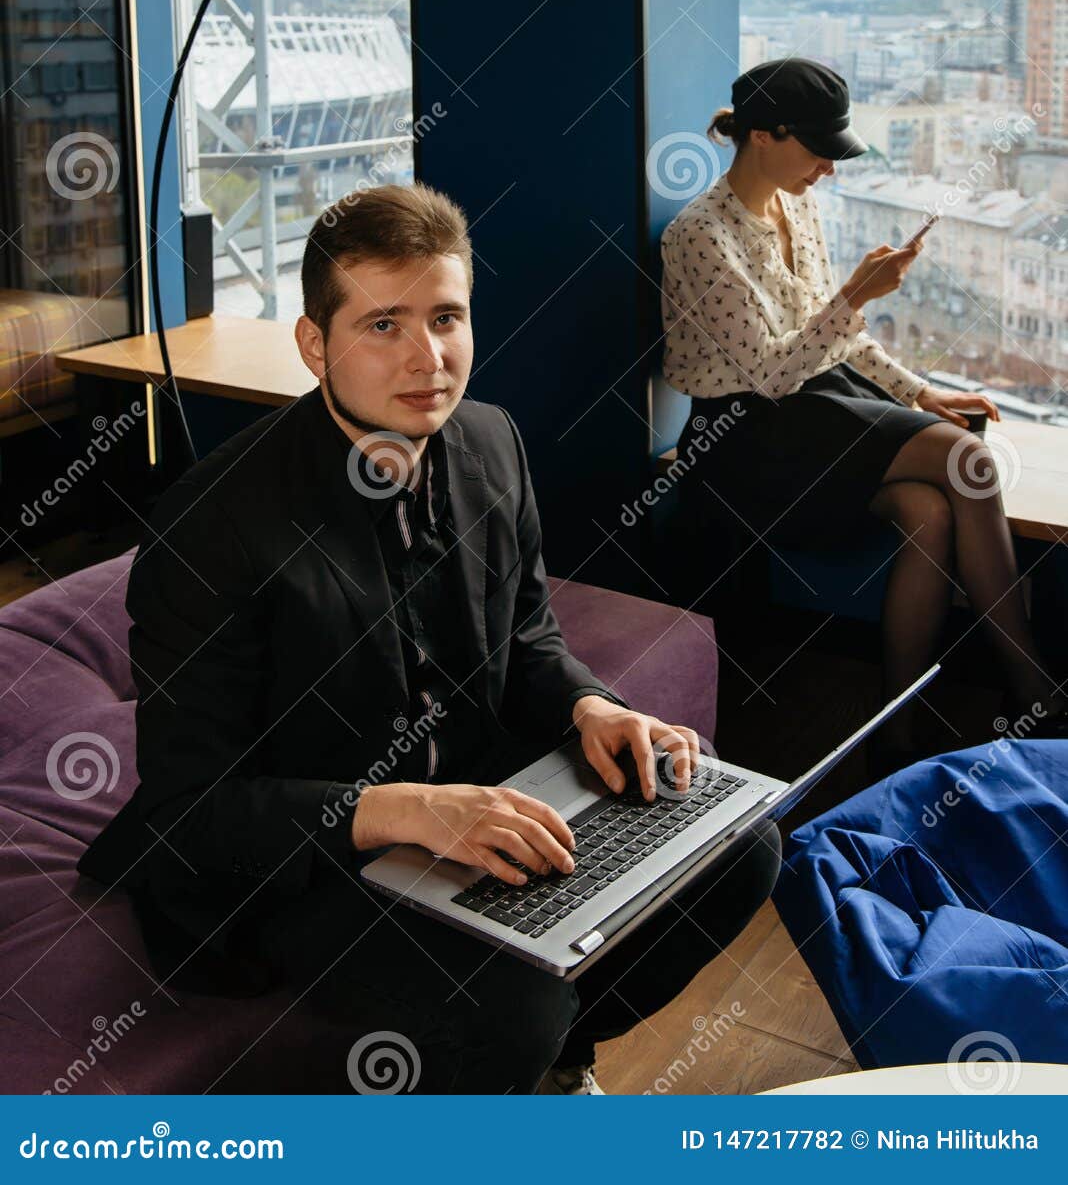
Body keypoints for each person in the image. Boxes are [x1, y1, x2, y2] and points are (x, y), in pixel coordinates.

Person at [78, 182, 779, 1096]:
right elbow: (190, 812)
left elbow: (525, 635)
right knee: (511, 1010)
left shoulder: (491, 441)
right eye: (383, 325)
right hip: (304, 859)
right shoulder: (210, 525)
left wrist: (592, 706)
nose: (429, 357)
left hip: (467, 793)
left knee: (740, 849)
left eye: (447, 317)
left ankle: (557, 1071)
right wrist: (410, 810)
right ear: (312, 344)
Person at [660, 58, 1067, 764]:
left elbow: (835, 338)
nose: (828, 170)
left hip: (817, 405)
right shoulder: (700, 235)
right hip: (742, 436)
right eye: (818, 151)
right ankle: (1034, 688)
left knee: (931, 510)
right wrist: (856, 294)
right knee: (968, 460)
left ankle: (894, 726)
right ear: (763, 135)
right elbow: (770, 376)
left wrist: (917, 391)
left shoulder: (800, 204)